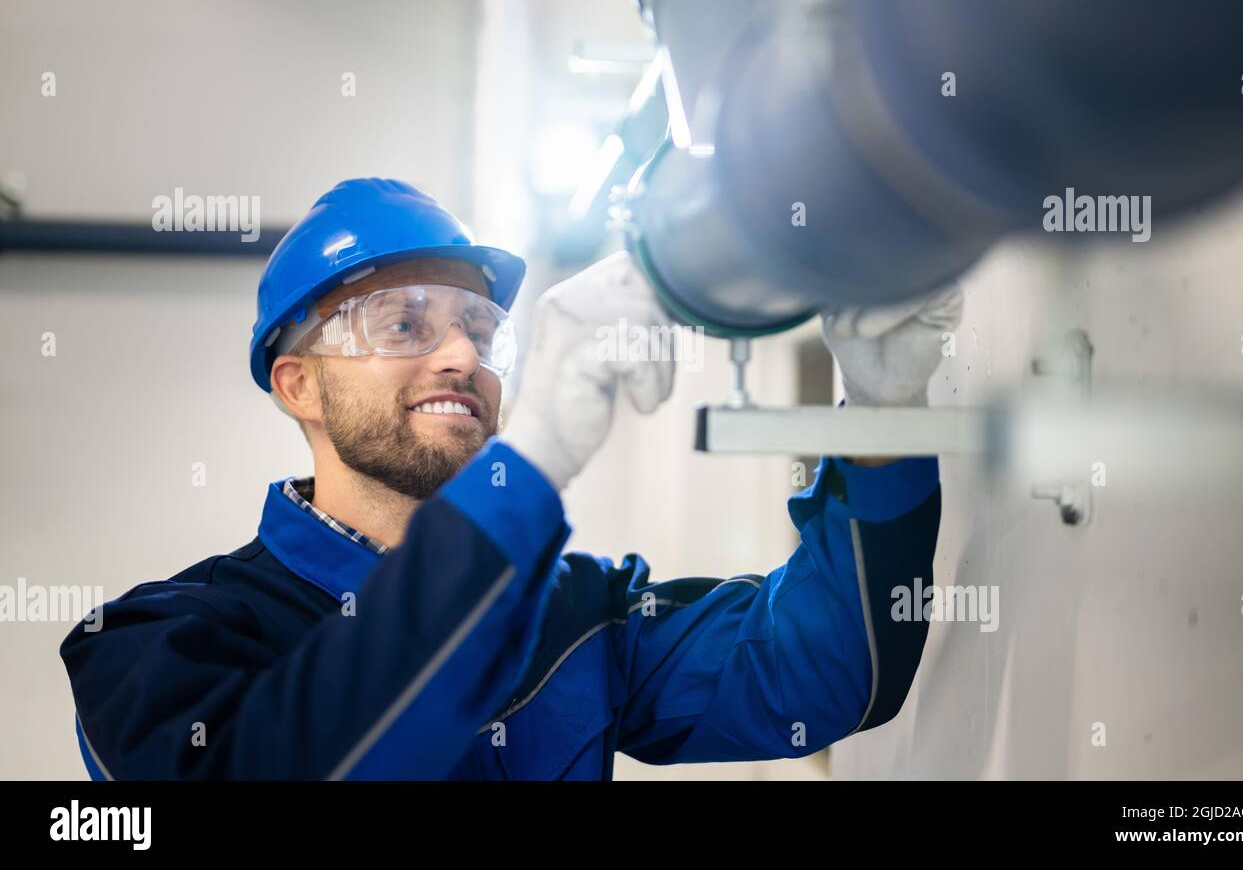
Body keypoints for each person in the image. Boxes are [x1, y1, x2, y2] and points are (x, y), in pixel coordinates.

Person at [60, 177, 960, 780]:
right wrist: (524, 474)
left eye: (480, 330)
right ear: (300, 386)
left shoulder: (574, 611)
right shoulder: (157, 645)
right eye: (404, 324)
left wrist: (884, 407)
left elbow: (829, 678)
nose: (462, 356)